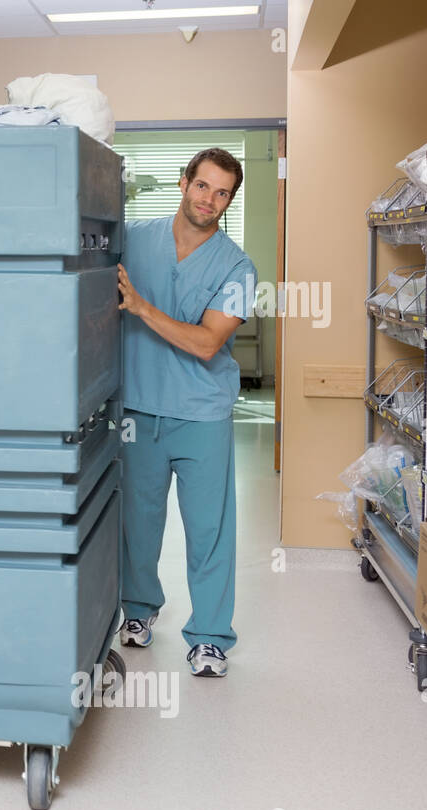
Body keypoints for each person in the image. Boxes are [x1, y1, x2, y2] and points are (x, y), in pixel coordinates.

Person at [115, 147, 257, 677]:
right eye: (203, 186)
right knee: (137, 523)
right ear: (183, 183)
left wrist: (143, 308)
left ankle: (210, 637)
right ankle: (138, 612)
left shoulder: (238, 267)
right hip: (136, 405)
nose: (210, 201)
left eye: (223, 193)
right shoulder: (133, 238)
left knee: (209, 529)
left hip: (201, 412)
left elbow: (205, 344)